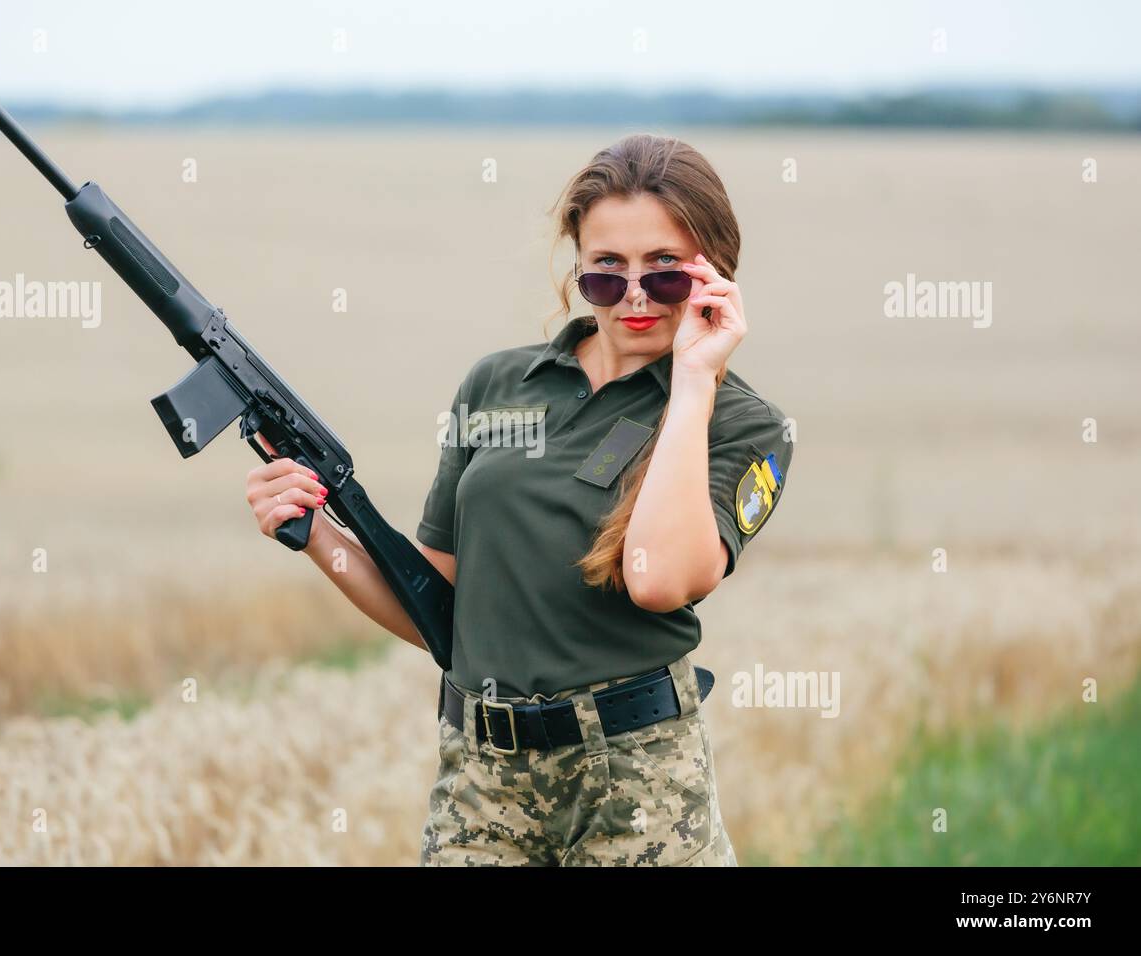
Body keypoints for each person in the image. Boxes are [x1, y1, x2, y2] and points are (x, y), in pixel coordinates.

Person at [245, 133, 793, 866]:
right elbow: (436, 607)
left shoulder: (743, 423)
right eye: (607, 270)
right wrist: (316, 532)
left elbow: (659, 580)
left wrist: (694, 382)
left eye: (665, 271)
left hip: (641, 785)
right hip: (481, 785)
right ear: (578, 267)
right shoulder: (497, 387)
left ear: (714, 270)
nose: (634, 294)